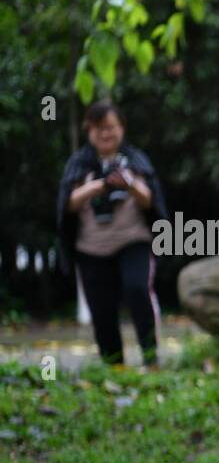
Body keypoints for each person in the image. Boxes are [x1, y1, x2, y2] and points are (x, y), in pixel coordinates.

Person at [57, 99, 169, 366]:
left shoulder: (136, 160)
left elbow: (150, 200)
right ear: (89, 131)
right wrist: (97, 186)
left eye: (110, 126)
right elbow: (67, 204)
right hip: (90, 248)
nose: (105, 133)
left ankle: (151, 358)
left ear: (122, 128)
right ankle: (113, 365)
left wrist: (128, 183)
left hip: (133, 241)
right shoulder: (78, 163)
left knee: (137, 289)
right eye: (98, 128)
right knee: (101, 308)